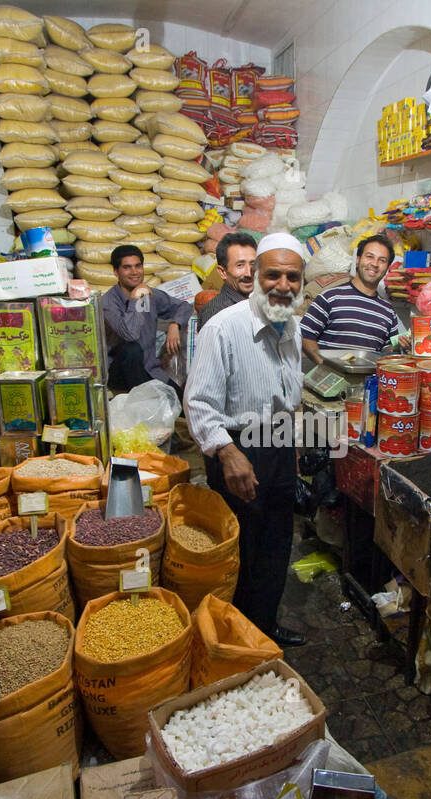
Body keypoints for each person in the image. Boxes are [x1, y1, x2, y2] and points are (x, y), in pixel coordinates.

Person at [184, 232, 309, 647]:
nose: (283, 285)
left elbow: (287, 394)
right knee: (241, 550)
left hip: (277, 445)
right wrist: (227, 452)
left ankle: (265, 626)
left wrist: (290, 447)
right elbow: (199, 401)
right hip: (239, 450)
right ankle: (231, 637)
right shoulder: (223, 328)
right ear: (255, 275)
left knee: (277, 545)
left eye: (293, 276)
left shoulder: (292, 325)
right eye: (273, 274)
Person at [301, 233, 409, 365]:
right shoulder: (330, 298)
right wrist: (323, 365)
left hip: (367, 383)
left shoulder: (388, 311)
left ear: (387, 268)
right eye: (370, 256)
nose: (375, 264)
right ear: (357, 259)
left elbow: (385, 350)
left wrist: (398, 346)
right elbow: (305, 335)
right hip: (328, 382)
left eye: (382, 260)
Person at [100, 244, 190, 391]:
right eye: (127, 267)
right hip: (120, 373)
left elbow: (183, 306)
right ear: (116, 272)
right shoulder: (108, 303)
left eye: (138, 266)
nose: (134, 272)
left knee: (183, 404)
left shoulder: (149, 295)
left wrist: (175, 324)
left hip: (150, 369)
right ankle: (145, 395)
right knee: (132, 349)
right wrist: (136, 298)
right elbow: (130, 334)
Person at [197, 232, 257, 328]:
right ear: (222, 272)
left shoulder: (260, 303)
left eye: (253, 264)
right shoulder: (216, 312)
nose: (248, 273)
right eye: (240, 265)